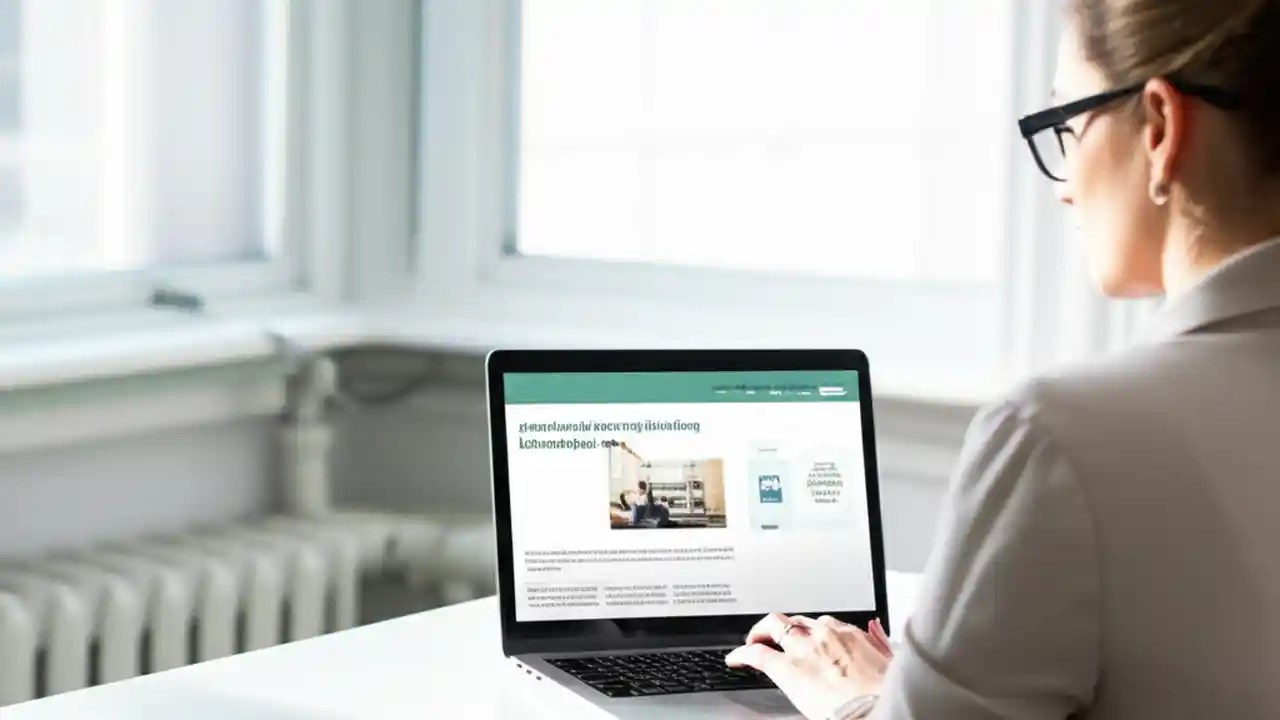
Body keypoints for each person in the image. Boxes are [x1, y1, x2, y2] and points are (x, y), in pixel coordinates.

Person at [727, 1, 1280, 718]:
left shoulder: (1060, 436)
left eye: (1069, 125)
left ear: (1161, 128)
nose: (1062, 185)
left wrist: (864, 704)